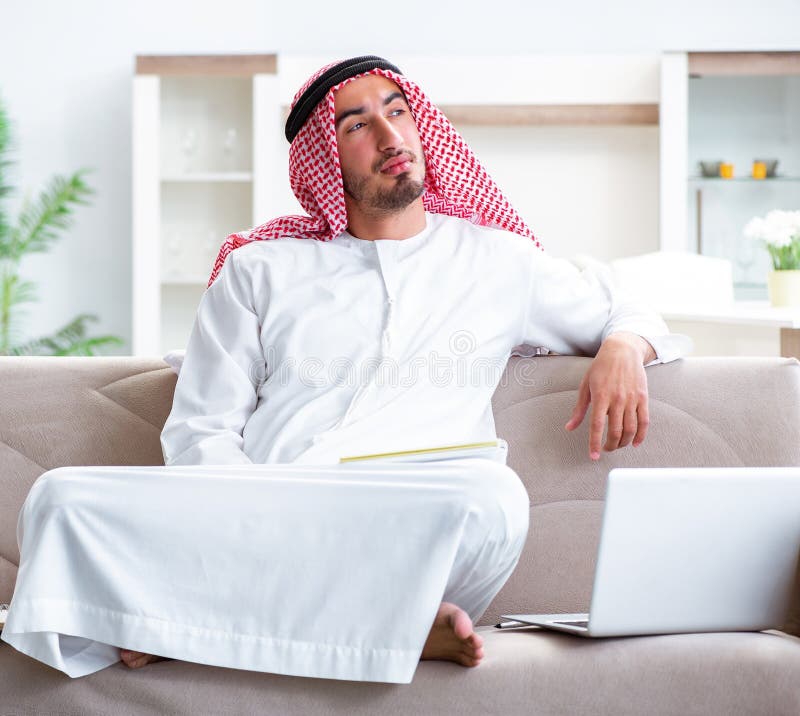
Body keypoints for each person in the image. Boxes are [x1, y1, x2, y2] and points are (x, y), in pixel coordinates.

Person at [1, 56, 686, 683]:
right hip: (267, 502)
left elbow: (634, 311)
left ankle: (192, 620)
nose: (390, 137)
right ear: (323, 158)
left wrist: (625, 347)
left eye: (397, 111)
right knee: (61, 500)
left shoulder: (499, 261)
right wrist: (242, 514)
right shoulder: (258, 270)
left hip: (412, 505)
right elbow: (200, 431)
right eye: (358, 125)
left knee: (490, 503)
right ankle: (393, 625)